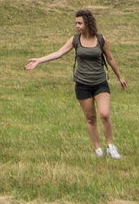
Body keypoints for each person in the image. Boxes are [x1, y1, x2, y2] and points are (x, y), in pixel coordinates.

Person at [24, 9, 127, 158]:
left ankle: (111, 146)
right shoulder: (75, 40)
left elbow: (110, 59)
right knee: (91, 118)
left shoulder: (101, 39)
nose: (77, 26)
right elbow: (59, 53)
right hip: (82, 85)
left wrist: (120, 77)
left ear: (88, 23)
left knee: (104, 114)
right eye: (76, 23)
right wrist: (39, 60)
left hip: (100, 82)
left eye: (80, 23)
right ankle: (98, 150)